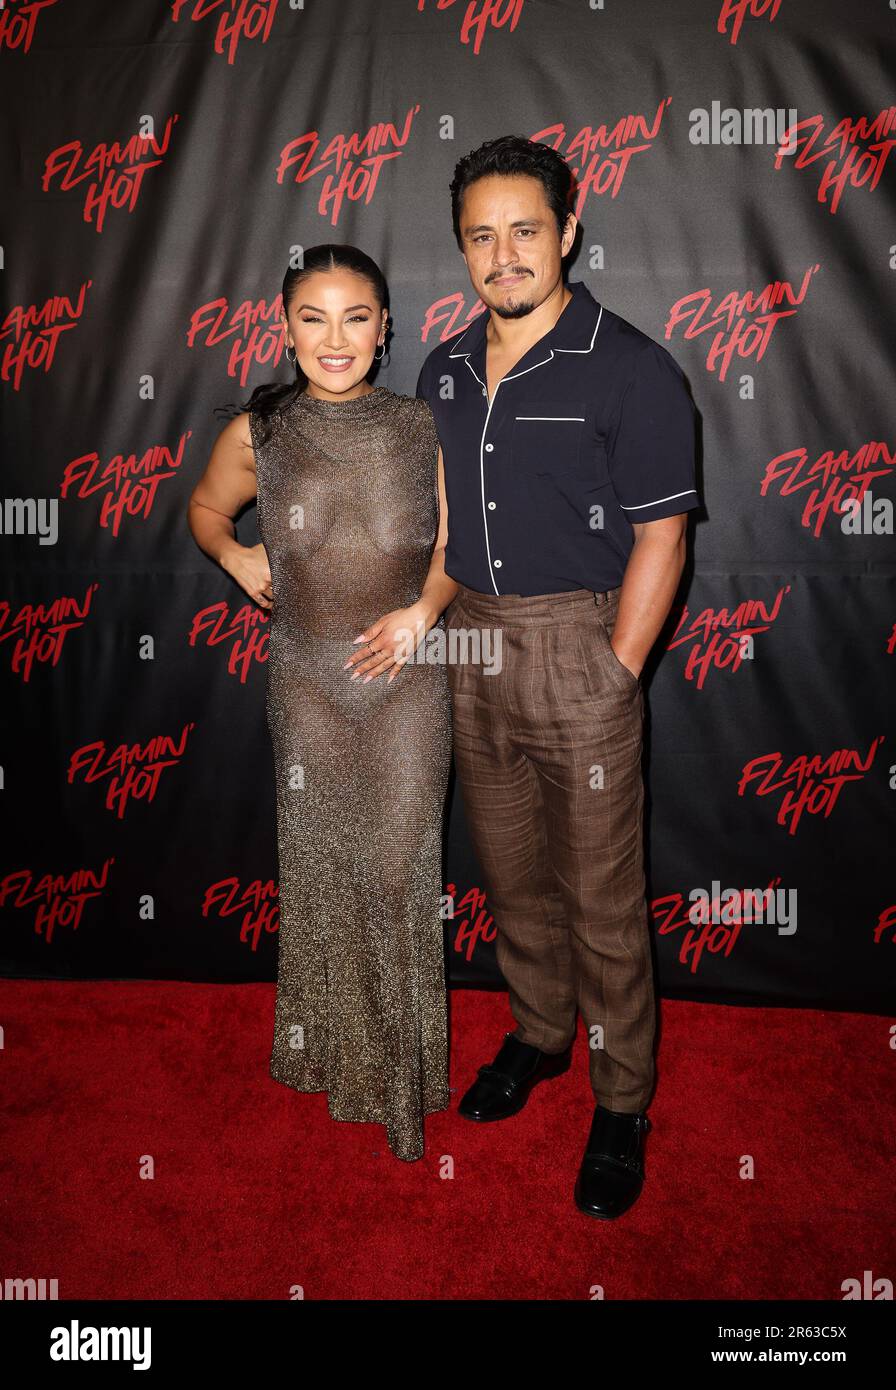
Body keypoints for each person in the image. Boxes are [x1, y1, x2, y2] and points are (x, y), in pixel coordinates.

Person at [416, 135, 701, 1217]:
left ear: (568, 231)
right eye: (480, 237)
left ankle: (621, 1096)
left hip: (578, 644)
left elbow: (662, 536)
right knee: (511, 877)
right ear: (461, 250)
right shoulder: (442, 365)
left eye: (524, 230)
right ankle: (539, 1035)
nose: (503, 254)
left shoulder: (629, 365)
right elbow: (446, 519)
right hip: (471, 647)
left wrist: (613, 672)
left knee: (601, 897)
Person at [187, 244, 458, 1162]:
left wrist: (427, 610)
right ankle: (334, 1059)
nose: (334, 338)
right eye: (314, 317)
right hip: (303, 682)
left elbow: (460, 543)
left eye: (356, 318)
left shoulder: (427, 425)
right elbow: (204, 512)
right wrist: (234, 554)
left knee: (395, 870)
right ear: (286, 328)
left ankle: (402, 1078)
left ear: (385, 331)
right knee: (322, 872)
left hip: (405, 680)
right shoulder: (257, 433)